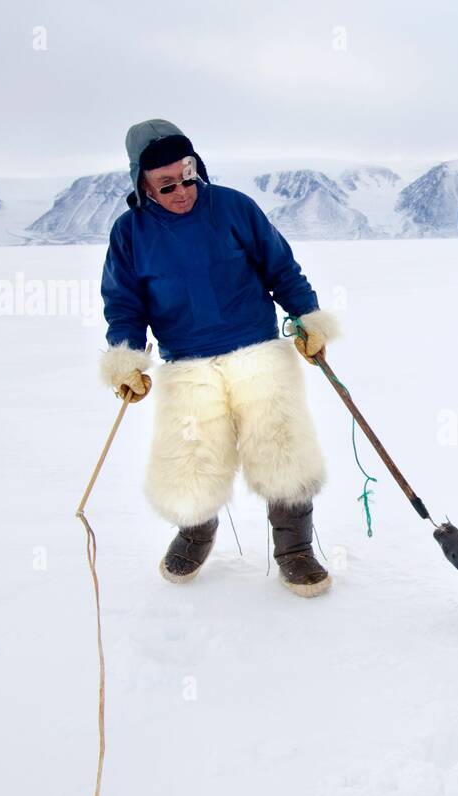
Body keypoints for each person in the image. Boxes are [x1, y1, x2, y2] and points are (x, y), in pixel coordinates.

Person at [98, 118, 339, 596]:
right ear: (141, 184)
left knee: (281, 449)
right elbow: (124, 303)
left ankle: (295, 550)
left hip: (257, 351)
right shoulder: (130, 234)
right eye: (166, 185)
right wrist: (127, 359)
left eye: (187, 176)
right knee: (191, 456)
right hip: (187, 363)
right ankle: (195, 532)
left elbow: (281, 268)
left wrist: (307, 319)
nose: (181, 191)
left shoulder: (233, 207)